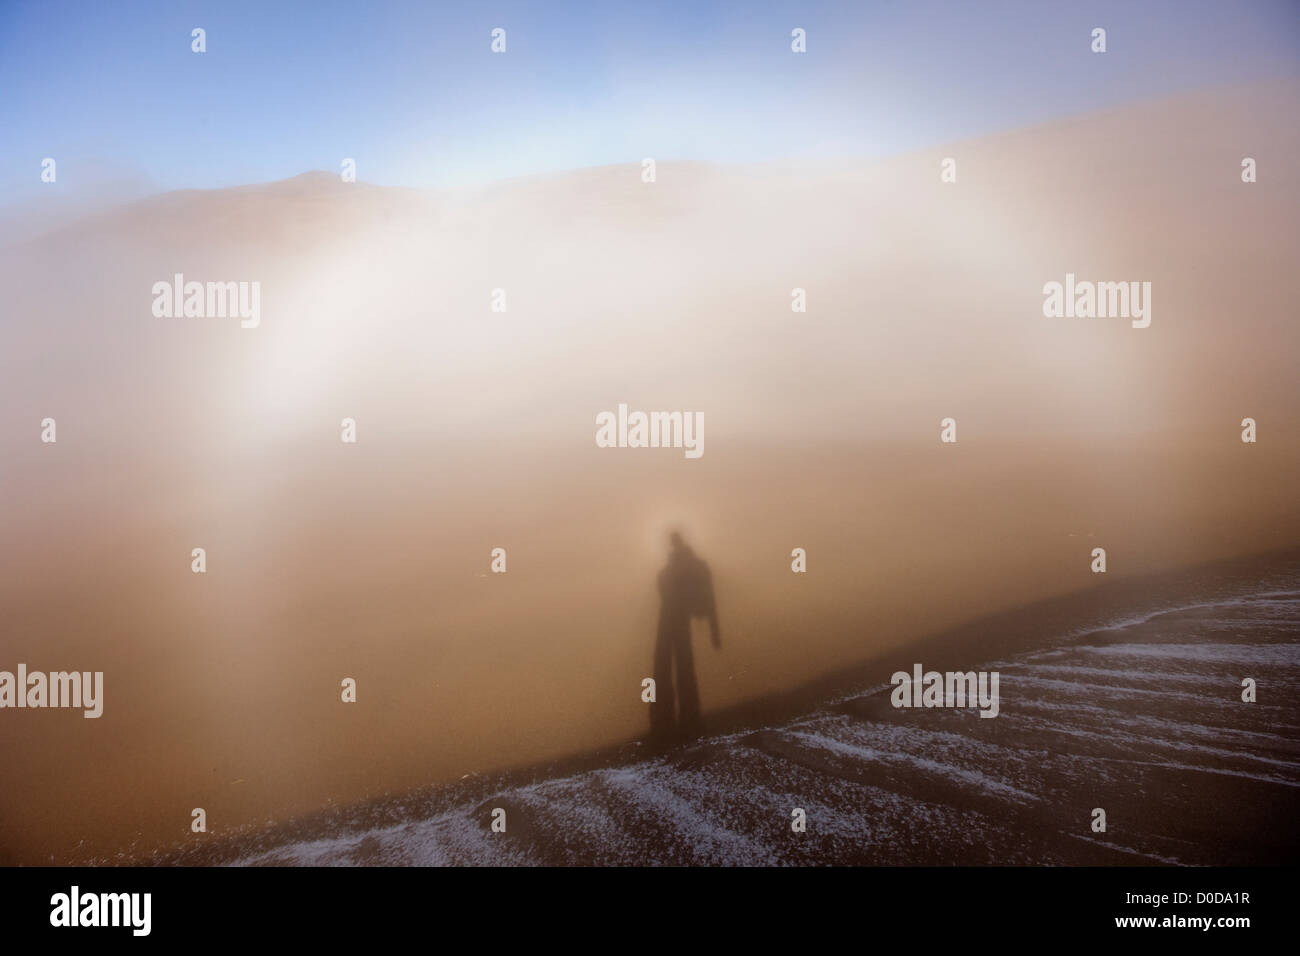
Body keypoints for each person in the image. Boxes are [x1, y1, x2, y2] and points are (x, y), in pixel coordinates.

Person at [650, 531, 721, 742]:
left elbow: (707, 595)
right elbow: (709, 597)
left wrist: (714, 630)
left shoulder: (678, 568)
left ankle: (669, 723)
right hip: (674, 619)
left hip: (673, 619)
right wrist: (714, 630)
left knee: (670, 668)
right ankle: (683, 720)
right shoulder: (691, 566)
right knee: (680, 668)